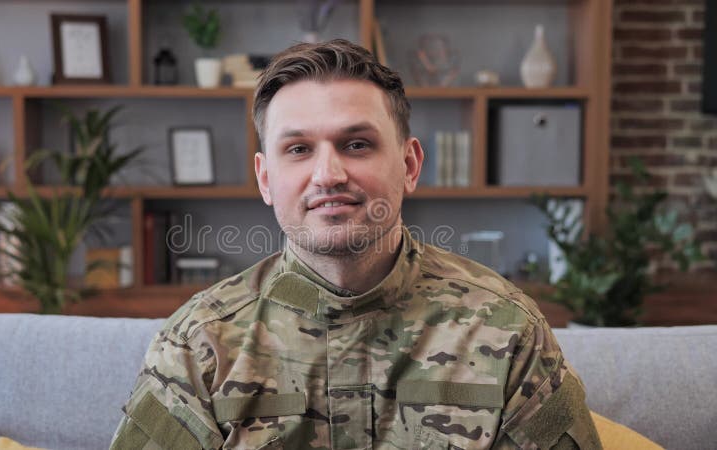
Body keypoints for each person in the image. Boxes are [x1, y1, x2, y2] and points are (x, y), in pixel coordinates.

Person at [110, 39, 602, 450]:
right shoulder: (201, 343)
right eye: (298, 149)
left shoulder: (507, 331)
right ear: (265, 179)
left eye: (357, 144)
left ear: (409, 165)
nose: (328, 174)